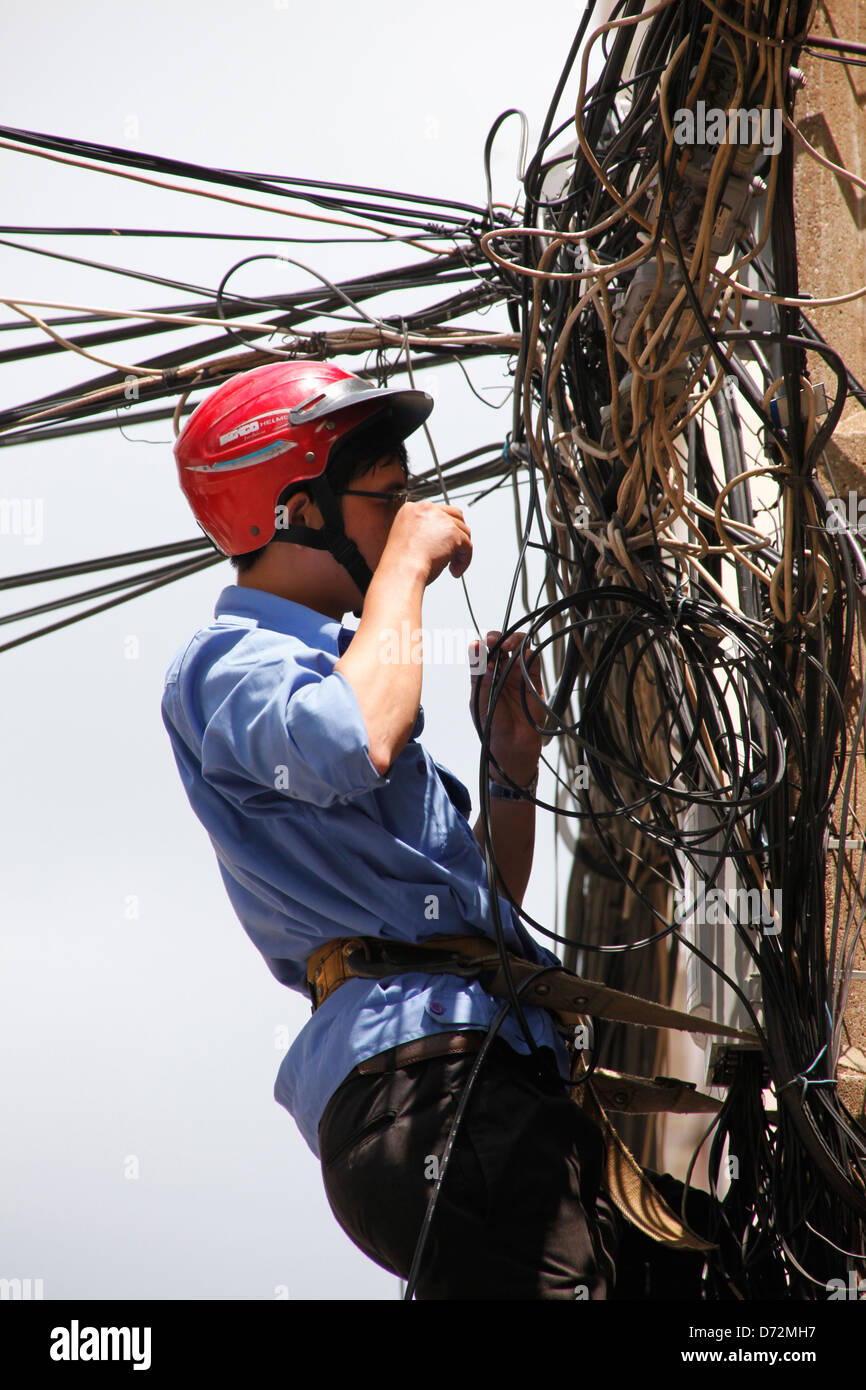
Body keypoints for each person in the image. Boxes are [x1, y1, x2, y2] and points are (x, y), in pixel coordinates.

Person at [161, 359, 614, 1299]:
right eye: (387, 496)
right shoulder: (227, 663)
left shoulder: (353, 664)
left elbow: (479, 907)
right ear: (298, 511)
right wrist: (404, 565)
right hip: (418, 1085)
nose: (410, 515)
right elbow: (353, 743)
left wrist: (510, 764)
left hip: (486, 1060)